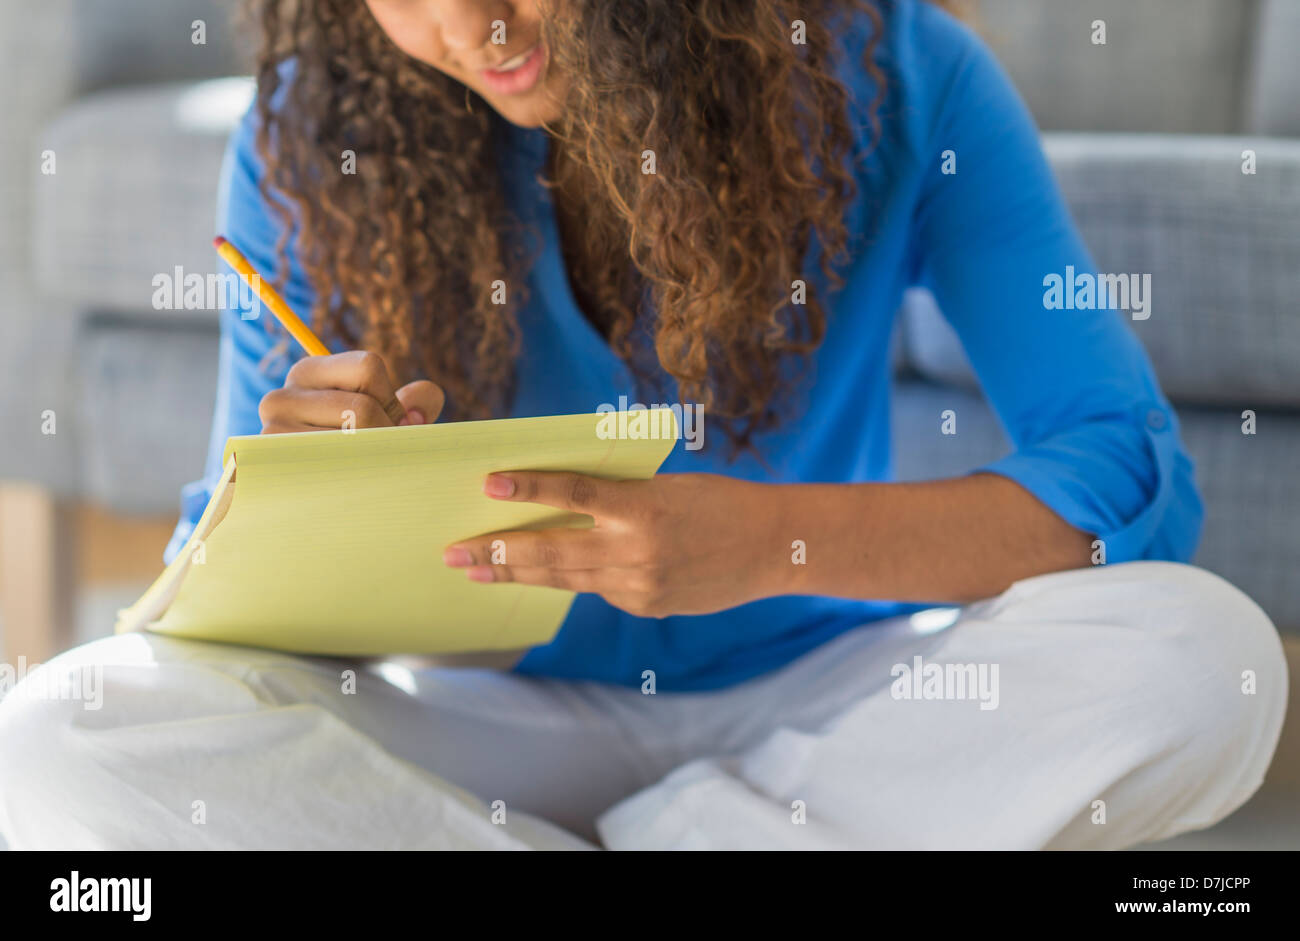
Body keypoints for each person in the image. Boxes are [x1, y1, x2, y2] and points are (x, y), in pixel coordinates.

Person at [0, 0, 1285, 849]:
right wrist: (305, 504)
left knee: (1206, 654)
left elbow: (1131, 478)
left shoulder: (900, 73)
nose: (471, 25)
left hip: (830, 704)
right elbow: (203, 619)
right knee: (52, 737)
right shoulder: (313, 138)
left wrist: (767, 545)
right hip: (485, 724)